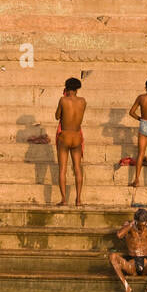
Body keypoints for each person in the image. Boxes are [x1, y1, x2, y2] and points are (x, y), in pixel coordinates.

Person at [55, 77, 87, 206]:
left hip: (65, 136)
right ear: (77, 89)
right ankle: (78, 200)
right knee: (77, 168)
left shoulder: (63, 100)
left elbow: (57, 116)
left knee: (63, 169)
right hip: (77, 136)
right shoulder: (83, 101)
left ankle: (64, 200)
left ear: (66, 88)